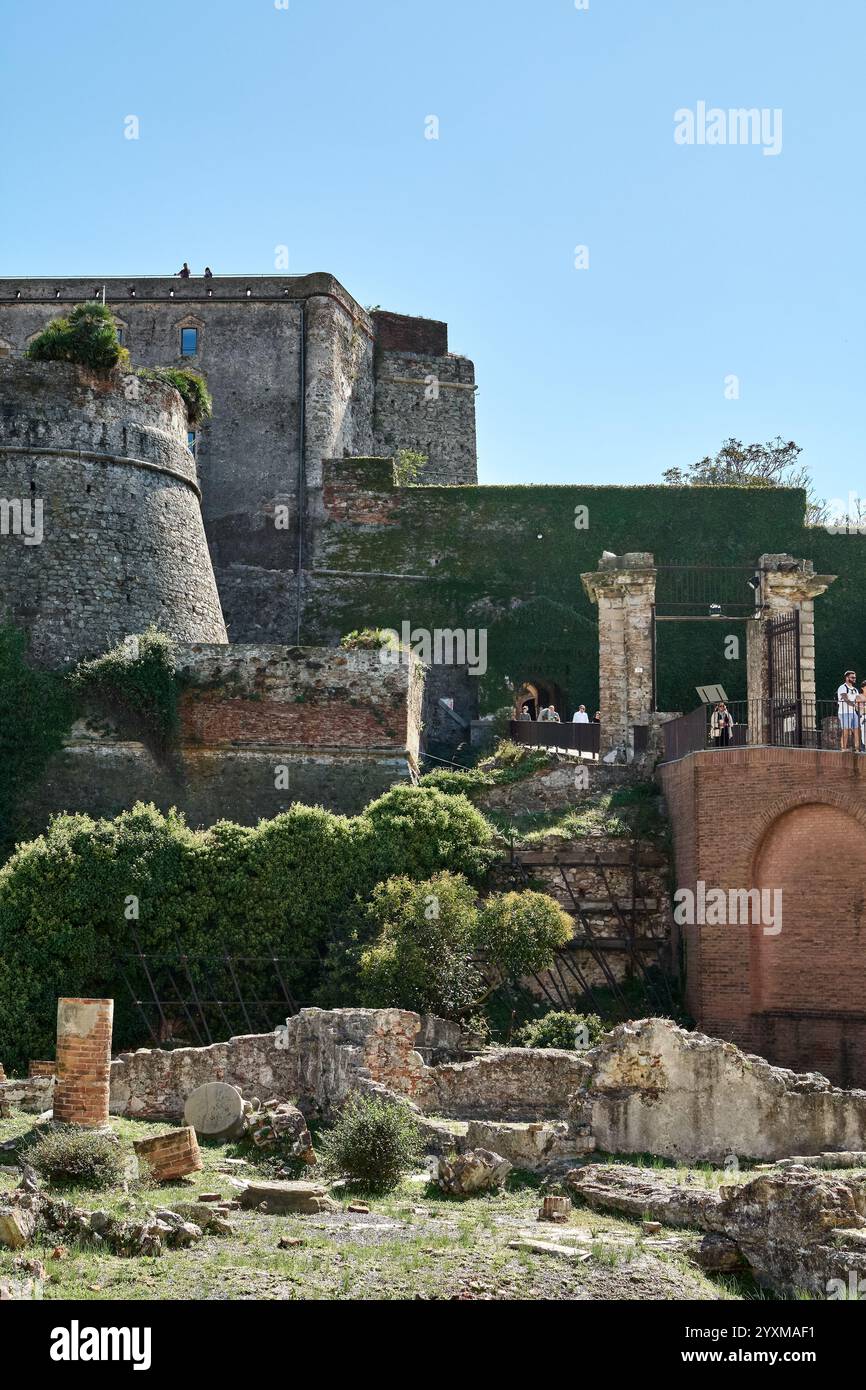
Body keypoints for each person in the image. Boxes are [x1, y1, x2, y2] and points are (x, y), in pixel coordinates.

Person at [837, 670, 860, 751]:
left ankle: (857, 748)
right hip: (844, 713)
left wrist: (859, 707)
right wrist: (854, 704)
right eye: (852, 677)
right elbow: (845, 699)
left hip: (853, 712)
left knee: (857, 730)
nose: (854, 679)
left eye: (855, 677)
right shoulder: (842, 687)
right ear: (847, 678)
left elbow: (858, 700)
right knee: (845, 730)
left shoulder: (855, 690)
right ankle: (843, 748)